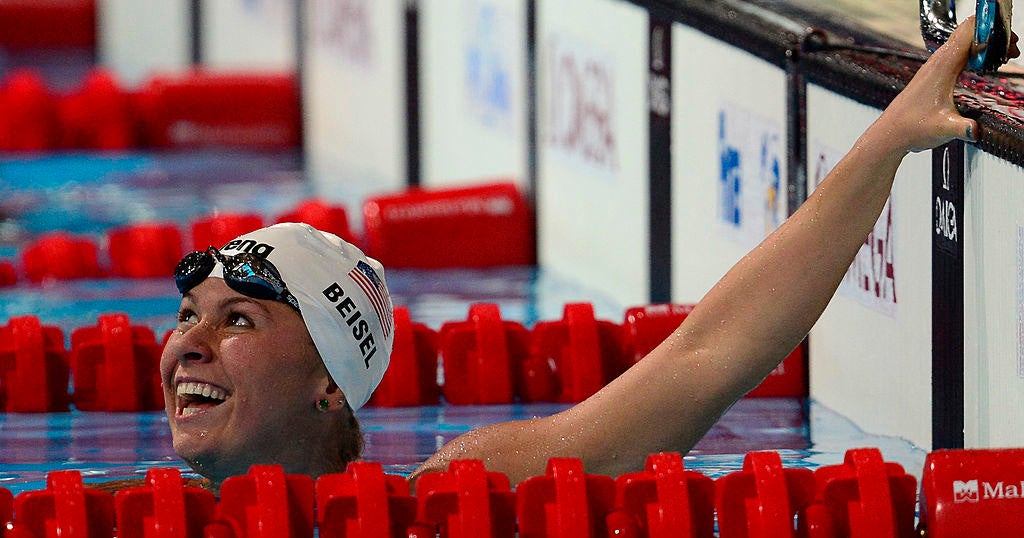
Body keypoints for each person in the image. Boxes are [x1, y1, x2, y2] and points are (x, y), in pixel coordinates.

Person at [159, 17, 1011, 492]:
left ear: (329, 383)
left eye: (238, 319)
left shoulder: (464, 497)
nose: (186, 345)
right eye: (189, 316)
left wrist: (888, 139)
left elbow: (707, 356)